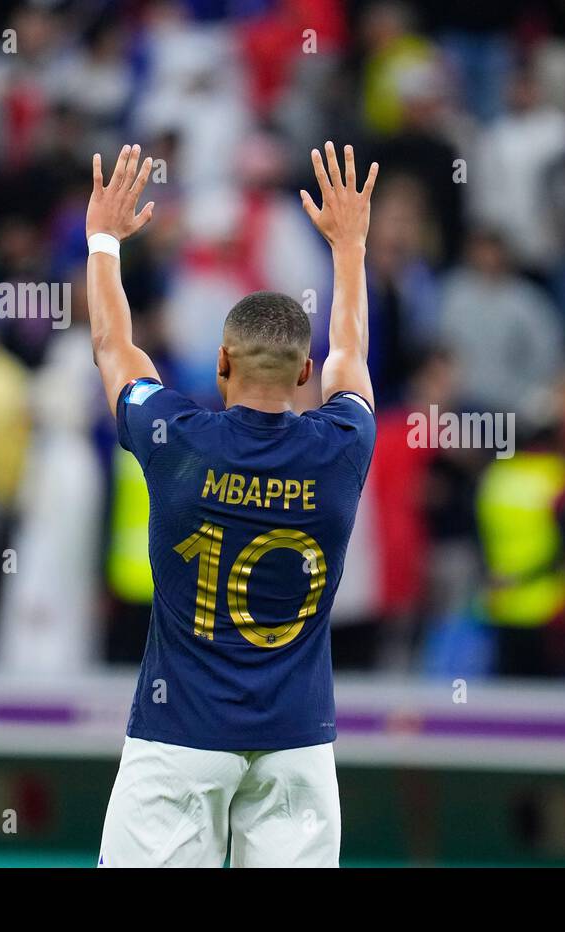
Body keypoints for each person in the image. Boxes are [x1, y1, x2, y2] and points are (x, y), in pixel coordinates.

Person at [91, 142, 378, 867]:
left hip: (178, 736)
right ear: (304, 371)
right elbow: (352, 356)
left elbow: (110, 344)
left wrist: (103, 240)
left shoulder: (176, 438)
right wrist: (350, 247)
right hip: (298, 747)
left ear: (221, 362)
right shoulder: (343, 444)